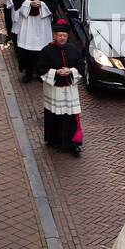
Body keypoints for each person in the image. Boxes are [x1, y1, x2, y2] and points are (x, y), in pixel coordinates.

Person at [36, 19, 85, 156]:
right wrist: (56, 72)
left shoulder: (74, 50)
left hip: (70, 90)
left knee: (72, 116)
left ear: (67, 37)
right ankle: (54, 140)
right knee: (54, 115)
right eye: (59, 35)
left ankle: (74, 144)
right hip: (54, 90)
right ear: (54, 35)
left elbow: (81, 66)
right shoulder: (46, 51)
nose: (62, 38)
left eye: (64, 35)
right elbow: (40, 69)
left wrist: (71, 71)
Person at [13, 0, 60, 82]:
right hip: (28, 21)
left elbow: (54, 4)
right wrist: (28, 3)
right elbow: (17, 0)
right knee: (26, 50)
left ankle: (40, 73)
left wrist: (42, 4)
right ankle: (28, 73)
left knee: (42, 50)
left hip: (41, 22)